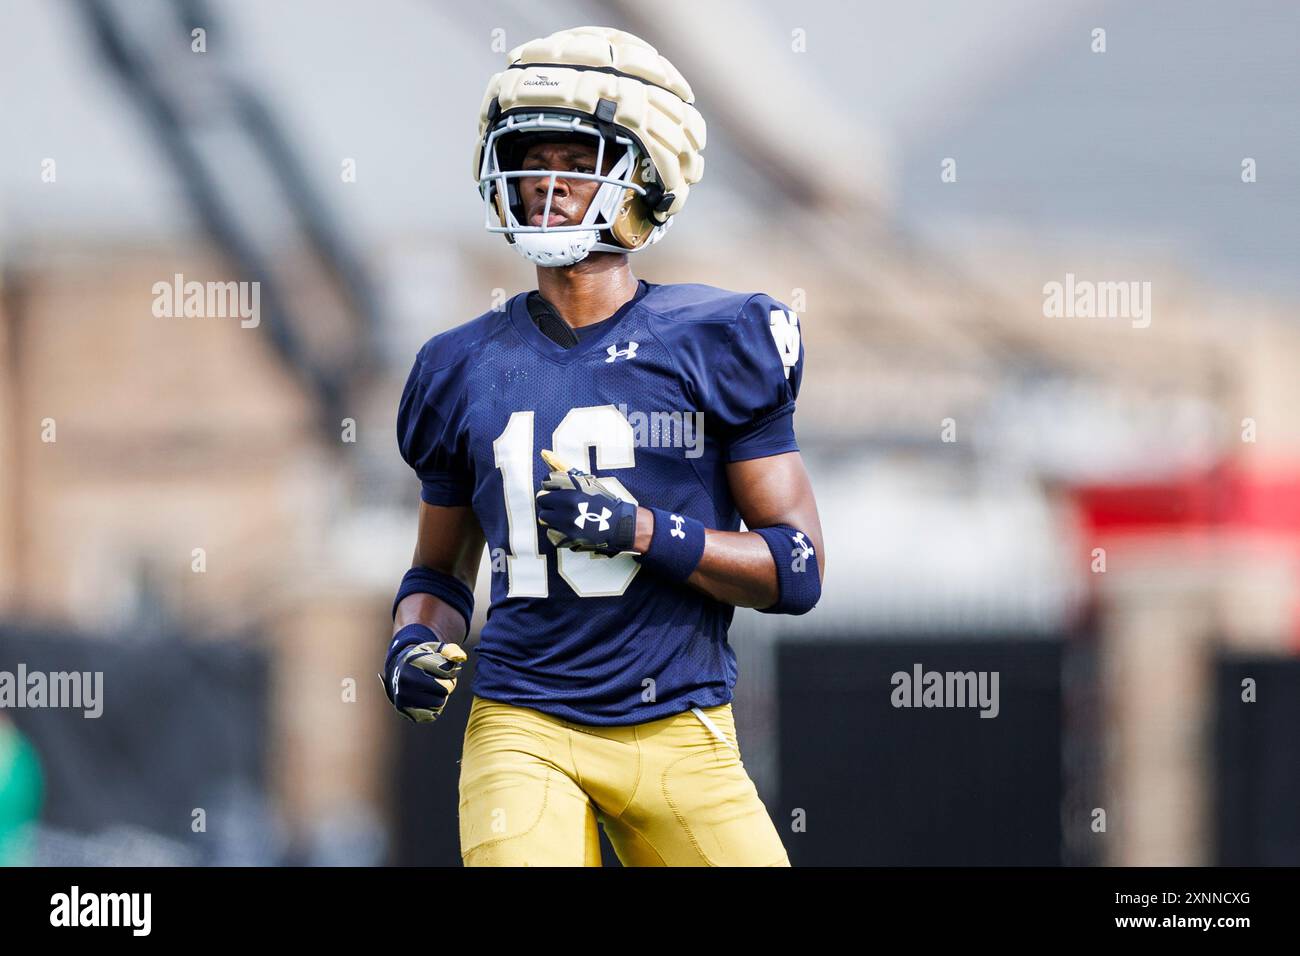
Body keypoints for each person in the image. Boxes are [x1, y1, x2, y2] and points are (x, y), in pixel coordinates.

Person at [381, 26, 825, 866]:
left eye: (574, 158)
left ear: (645, 173)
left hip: (680, 725)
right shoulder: (456, 365)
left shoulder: (718, 340)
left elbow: (796, 568)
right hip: (523, 726)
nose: (545, 183)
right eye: (530, 157)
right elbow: (439, 574)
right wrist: (411, 638)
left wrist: (641, 531)